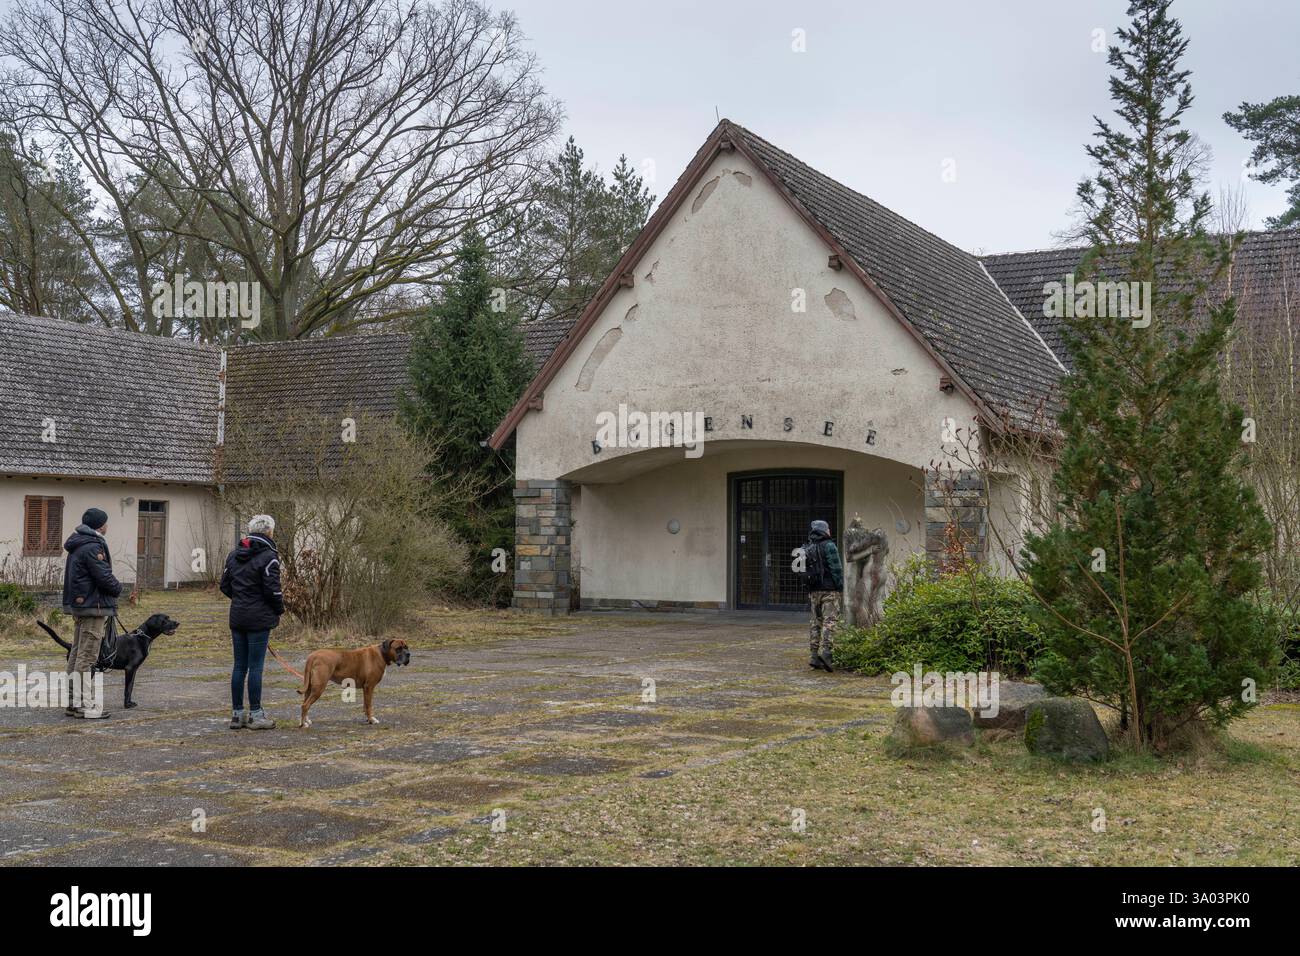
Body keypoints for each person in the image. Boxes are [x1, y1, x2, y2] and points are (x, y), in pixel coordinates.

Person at [220, 515, 285, 730]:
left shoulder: (233, 555)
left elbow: (225, 586)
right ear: (269, 532)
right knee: (256, 667)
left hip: (238, 617)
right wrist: (279, 610)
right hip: (258, 619)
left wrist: (241, 600)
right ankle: (256, 715)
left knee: (240, 666)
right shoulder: (270, 557)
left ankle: (237, 714)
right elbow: (273, 591)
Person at [61, 507, 122, 718]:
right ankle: (85, 705)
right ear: (99, 525)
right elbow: (104, 577)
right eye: (105, 522)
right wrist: (118, 588)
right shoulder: (92, 546)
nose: (107, 525)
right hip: (93, 607)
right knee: (87, 656)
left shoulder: (79, 543)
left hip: (82, 606)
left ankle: (72, 701)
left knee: (77, 653)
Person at [803, 519, 843, 673]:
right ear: (825, 530)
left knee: (815, 622)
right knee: (830, 621)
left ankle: (813, 655)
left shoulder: (808, 546)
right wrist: (839, 587)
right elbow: (836, 568)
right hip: (829, 590)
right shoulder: (829, 545)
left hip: (813, 591)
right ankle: (827, 653)